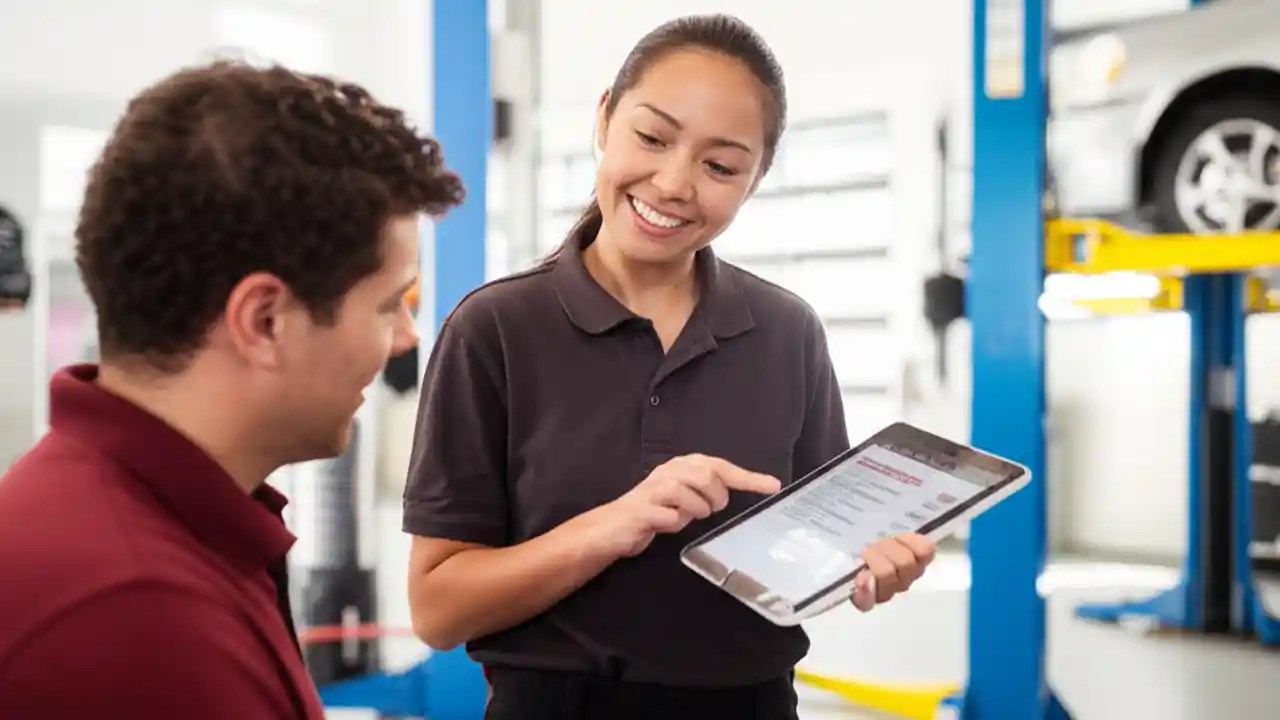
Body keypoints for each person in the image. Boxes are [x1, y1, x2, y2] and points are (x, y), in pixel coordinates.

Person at [403, 13, 936, 720]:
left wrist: (864, 571)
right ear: (604, 118)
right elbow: (438, 611)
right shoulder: (494, 329)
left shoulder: (787, 333)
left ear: (756, 179)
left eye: (720, 166)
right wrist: (614, 525)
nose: (674, 182)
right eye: (651, 137)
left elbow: (816, 552)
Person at [0, 61, 463, 718]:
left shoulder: (128, 526)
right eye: (390, 305)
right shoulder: (138, 621)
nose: (406, 338)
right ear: (265, 321)